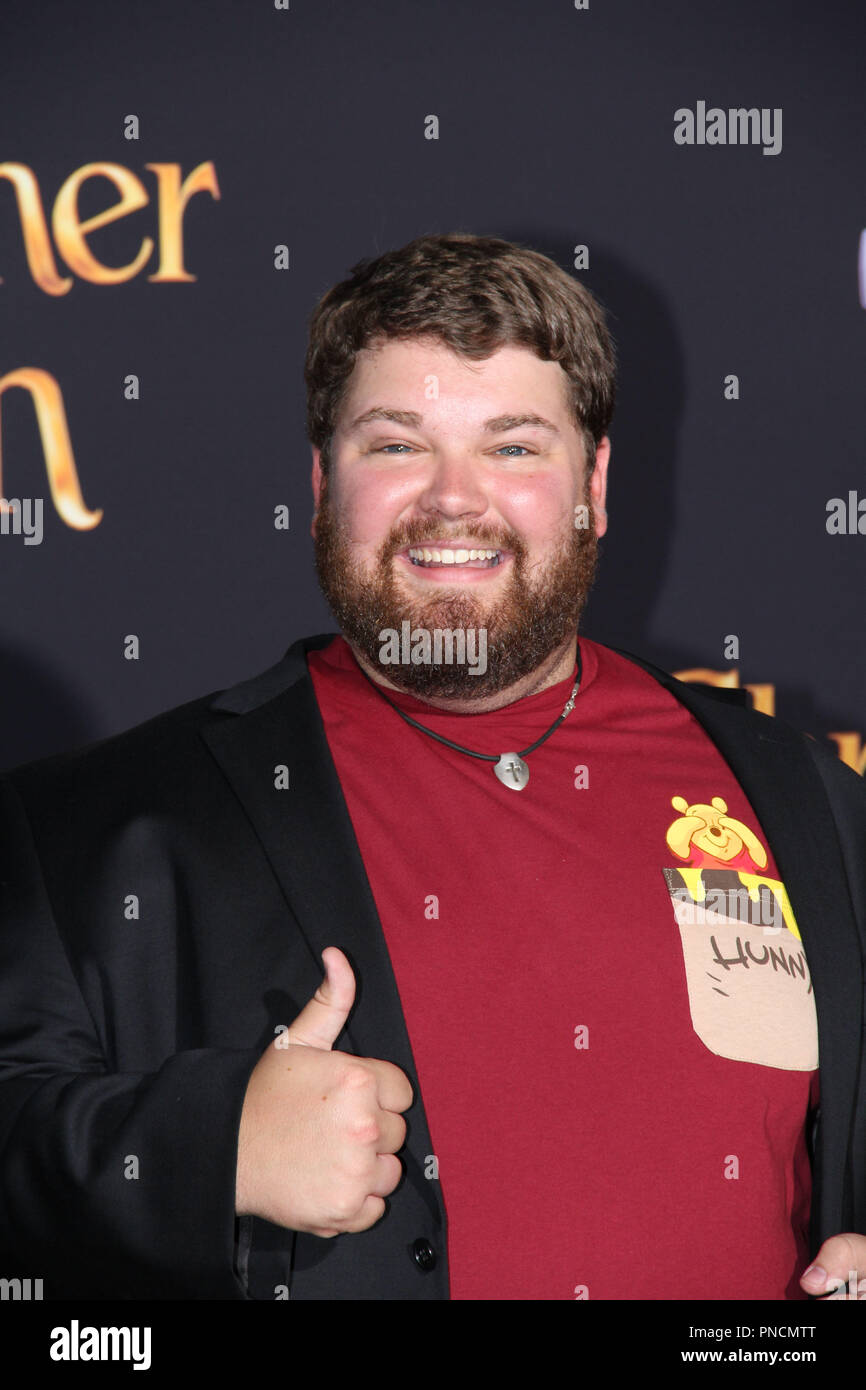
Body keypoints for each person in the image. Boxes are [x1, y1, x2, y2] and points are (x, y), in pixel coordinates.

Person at [0, 232, 864, 1301]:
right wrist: (206, 1149)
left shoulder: (801, 796)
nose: (452, 501)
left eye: (511, 447)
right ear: (320, 482)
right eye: (396, 445)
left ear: (593, 481)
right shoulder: (97, 824)